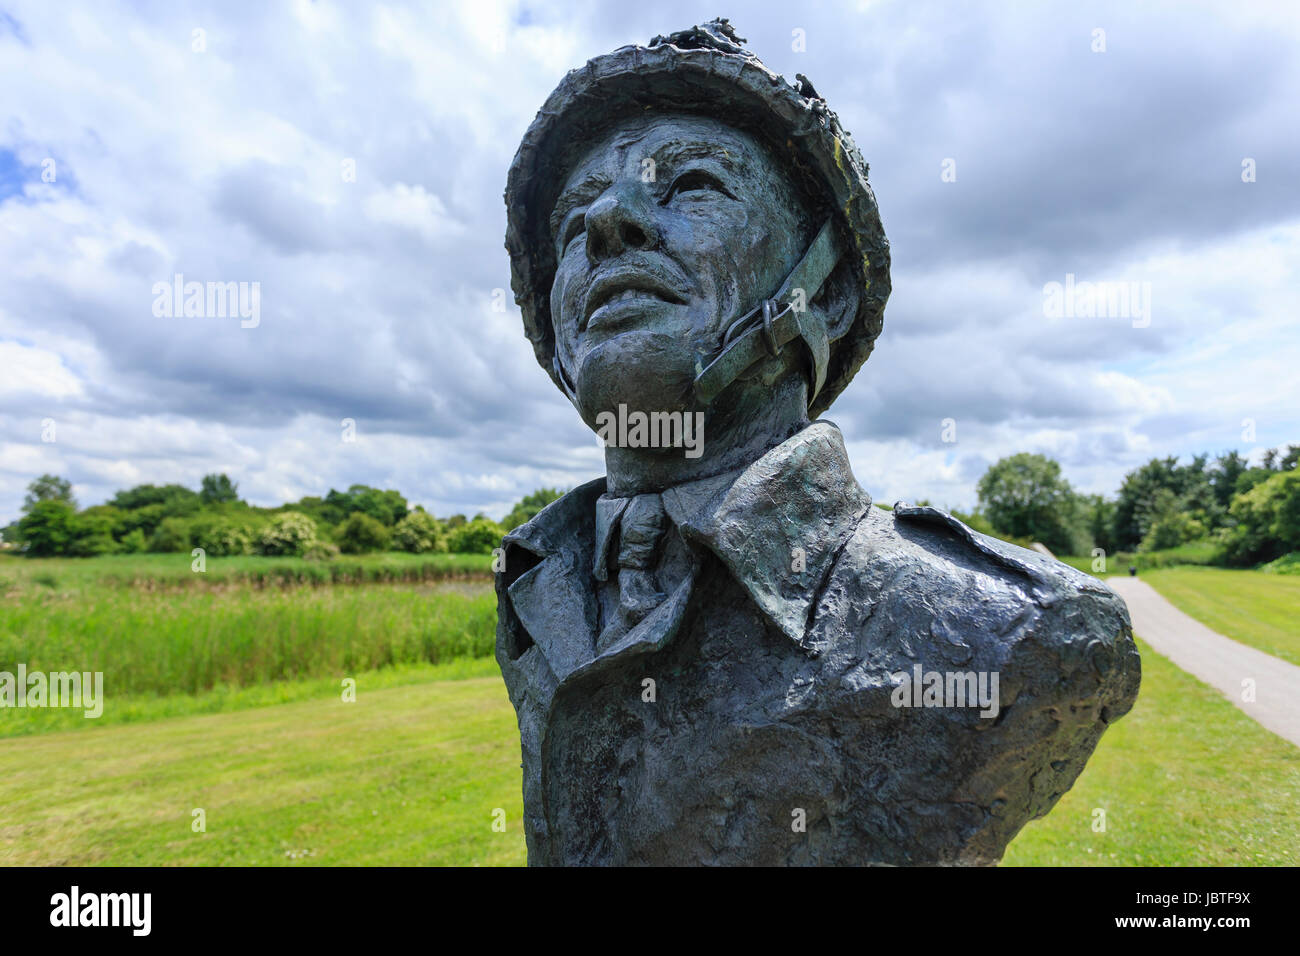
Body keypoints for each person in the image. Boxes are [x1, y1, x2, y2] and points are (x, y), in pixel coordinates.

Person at [496, 19, 1140, 865]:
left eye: (692, 184)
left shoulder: (1007, 627)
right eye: (573, 220)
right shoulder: (537, 582)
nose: (607, 223)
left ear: (824, 295)